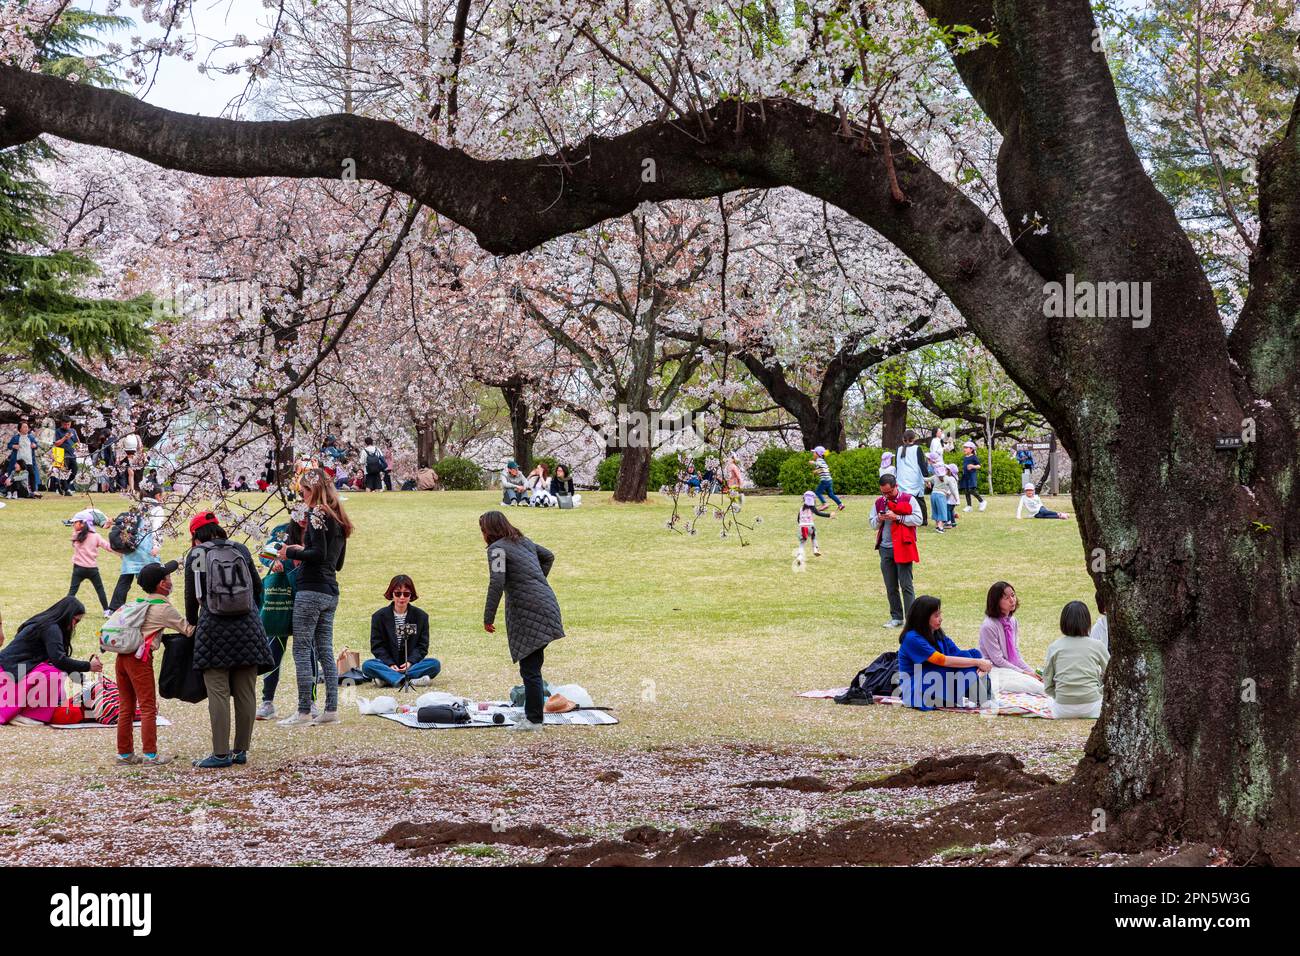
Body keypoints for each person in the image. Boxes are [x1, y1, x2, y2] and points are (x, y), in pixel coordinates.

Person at [184, 512, 273, 767]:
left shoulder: (198, 555)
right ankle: (241, 751)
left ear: (195, 535)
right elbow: (258, 587)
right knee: (246, 691)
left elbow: (192, 595)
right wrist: (252, 612)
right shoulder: (240, 548)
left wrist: (194, 621)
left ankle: (220, 753)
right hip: (249, 627)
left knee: (219, 692)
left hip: (213, 627)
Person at [275, 468, 350, 727]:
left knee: (302, 649)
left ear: (313, 490)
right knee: (325, 651)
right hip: (330, 590)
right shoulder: (339, 520)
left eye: (304, 491)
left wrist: (294, 551)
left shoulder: (317, 513)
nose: (302, 496)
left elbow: (316, 553)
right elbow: (337, 562)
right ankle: (331, 709)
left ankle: (304, 710)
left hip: (311, 590)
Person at [481, 510, 564, 731]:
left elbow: (496, 583)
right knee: (532, 664)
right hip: (546, 602)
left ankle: (534, 720)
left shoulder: (497, 549)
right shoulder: (523, 541)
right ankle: (531, 714)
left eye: (482, 530)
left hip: (528, 610)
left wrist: (488, 617)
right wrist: (535, 580)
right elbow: (548, 556)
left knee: (530, 668)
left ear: (489, 530)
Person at [114, 560, 192, 765]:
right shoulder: (163, 608)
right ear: (161, 584)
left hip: (122, 657)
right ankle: (150, 754)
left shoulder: (140, 601)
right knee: (148, 707)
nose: (170, 580)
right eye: (167, 578)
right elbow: (189, 630)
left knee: (126, 707)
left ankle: (124, 754)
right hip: (140, 659)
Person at [0, 597, 102, 725]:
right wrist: (88, 666)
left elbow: (59, 660)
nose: (75, 625)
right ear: (67, 615)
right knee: (53, 673)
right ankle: (25, 714)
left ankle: (26, 711)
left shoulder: (45, 624)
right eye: (75, 620)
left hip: (10, 670)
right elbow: (59, 661)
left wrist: (84, 681)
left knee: (53, 672)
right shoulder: (51, 628)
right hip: (7, 675)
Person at [255, 515, 314, 720]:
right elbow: (265, 554)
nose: (304, 520)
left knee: (307, 650)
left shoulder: (319, 531)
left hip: (307, 594)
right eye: (300, 515)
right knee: (274, 648)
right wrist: (274, 562)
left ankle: (310, 701)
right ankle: (267, 701)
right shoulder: (282, 531)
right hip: (281, 598)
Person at [896, 595, 991, 711]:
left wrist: (976, 662)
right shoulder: (912, 638)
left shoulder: (937, 634)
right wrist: (977, 663)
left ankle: (983, 696)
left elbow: (958, 654)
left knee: (972, 654)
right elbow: (941, 660)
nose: (941, 619)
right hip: (918, 688)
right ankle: (983, 697)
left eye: (940, 614)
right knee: (969, 661)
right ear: (923, 618)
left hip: (936, 678)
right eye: (936, 615)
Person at [363, 575, 440, 688]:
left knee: (435, 664)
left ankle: (388, 679)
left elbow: (422, 646)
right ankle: (407, 680)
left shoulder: (421, 616)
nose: (402, 597)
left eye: (406, 594)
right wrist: (390, 664)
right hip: (387, 664)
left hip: (411, 665)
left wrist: (410, 662)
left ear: (411, 595)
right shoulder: (379, 616)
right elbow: (377, 646)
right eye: (398, 593)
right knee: (367, 666)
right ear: (392, 594)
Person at [869, 474, 923, 627]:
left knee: (906, 585)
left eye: (889, 492)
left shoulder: (908, 499)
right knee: (890, 585)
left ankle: (911, 621)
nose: (886, 495)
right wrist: (880, 519)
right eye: (883, 492)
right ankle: (896, 617)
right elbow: (872, 524)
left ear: (896, 486)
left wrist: (897, 517)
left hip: (903, 547)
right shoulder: (879, 502)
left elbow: (919, 519)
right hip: (885, 549)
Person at [1043, 601, 1110, 719]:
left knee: (1048, 701)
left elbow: (1047, 684)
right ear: (1087, 622)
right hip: (1093, 707)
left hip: (1062, 709)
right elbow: (1113, 672)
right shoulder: (1097, 645)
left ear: (1063, 622)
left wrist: (1059, 695)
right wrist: (1100, 691)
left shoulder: (1054, 647)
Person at [977, 581, 1044, 692]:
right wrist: (1024, 673)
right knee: (1033, 685)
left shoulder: (1013, 621)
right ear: (996, 602)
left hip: (1009, 667)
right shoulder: (988, 626)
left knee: (1038, 679)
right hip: (994, 669)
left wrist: (1032, 672)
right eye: (1006, 598)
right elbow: (997, 660)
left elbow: (1015, 655)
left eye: (1013, 595)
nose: (1012, 600)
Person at [109, 496, 163, 612]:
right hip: (146, 550)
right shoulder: (157, 509)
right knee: (152, 579)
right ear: (158, 495)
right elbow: (157, 528)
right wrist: (156, 546)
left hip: (132, 547)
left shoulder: (140, 505)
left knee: (125, 579)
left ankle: (114, 608)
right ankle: (159, 605)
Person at [66, 508, 112, 614]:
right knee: (100, 590)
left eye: (75, 522)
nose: (73, 524)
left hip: (78, 568)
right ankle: (106, 611)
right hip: (92, 569)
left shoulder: (76, 536)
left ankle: (65, 610)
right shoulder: (96, 537)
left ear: (82, 524)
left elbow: (75, 536)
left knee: (72, 591)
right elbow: (109, 547)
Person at [894, 429, 931, 526]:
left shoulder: (898, 449)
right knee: (919, 500)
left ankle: (902, 518)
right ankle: (923, 520)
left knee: (902, 500)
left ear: (903, 439)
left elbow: (897, 465)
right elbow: (922, 465)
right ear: (914, 439)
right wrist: (926, 478)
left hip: (901, 478)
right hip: (914, 478)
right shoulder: (917, 449)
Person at [5, 420, 40, 493]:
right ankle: (13, 491)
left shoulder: (31, 437)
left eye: (27, 427)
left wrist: (35, 445)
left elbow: (37, 445)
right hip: (19, 461)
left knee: (32, 475)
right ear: (20, 429)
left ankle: (34, 491)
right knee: (16, 475)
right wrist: (13, 446)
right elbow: (9, 445)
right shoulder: (15, 438)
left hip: (29, 460)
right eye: (24, 427)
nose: (26, 428)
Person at [796, 490, 830, 561]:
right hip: (811, 526)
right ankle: (815, 549)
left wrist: (802, 523)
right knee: (813, 538)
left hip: (802, 527)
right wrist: (829, 515)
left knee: (802, 542)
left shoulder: (801, 508)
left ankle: (800, 556)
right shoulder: (813, 508)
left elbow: (798, 519)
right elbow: (818, 513)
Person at [810, 446, 845, 510]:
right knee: (830, 494)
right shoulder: (822, 461)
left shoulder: (819, 460)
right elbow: (824, 469)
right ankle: (840, 504)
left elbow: (819, 464)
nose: (813, 454)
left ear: (818, 454)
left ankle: (824, 504)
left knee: (818, 492)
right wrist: (817, 471)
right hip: (829, 480)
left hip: (825, 481)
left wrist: (813, 463)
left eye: (814, 453)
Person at [52, 419, 80, 495]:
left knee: (74, 471)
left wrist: (76, 447)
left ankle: (61, 484)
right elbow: (56, 444)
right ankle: (67, 489)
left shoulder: (73, 431)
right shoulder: (57, 431)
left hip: (72, 454)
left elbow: (77, 442)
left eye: (68, 424)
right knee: (64, 472)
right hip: (61, 454)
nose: (67, 426)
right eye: (65, 424)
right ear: (62, 424)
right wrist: (65, 438)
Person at [959, 440, 986, 512]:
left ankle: (982, 502)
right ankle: (969, 506)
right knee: (966, 491)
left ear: (971, 449)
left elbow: (979, 466)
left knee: (972, 490)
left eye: (966, 447)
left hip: (971, 476)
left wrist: (972, 466)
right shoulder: (965, 457)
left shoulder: (974, 457)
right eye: (964, 447)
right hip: (966, 476)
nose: (964, 449)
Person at [929, 462, 951, 533]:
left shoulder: (935, 477)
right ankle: (940, 527)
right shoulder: (947, 478)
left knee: (935, 510)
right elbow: (951, 488)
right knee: (942, 511)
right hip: (941, 495)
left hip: (933, 494)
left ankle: (937, 525)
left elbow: (926, 479)